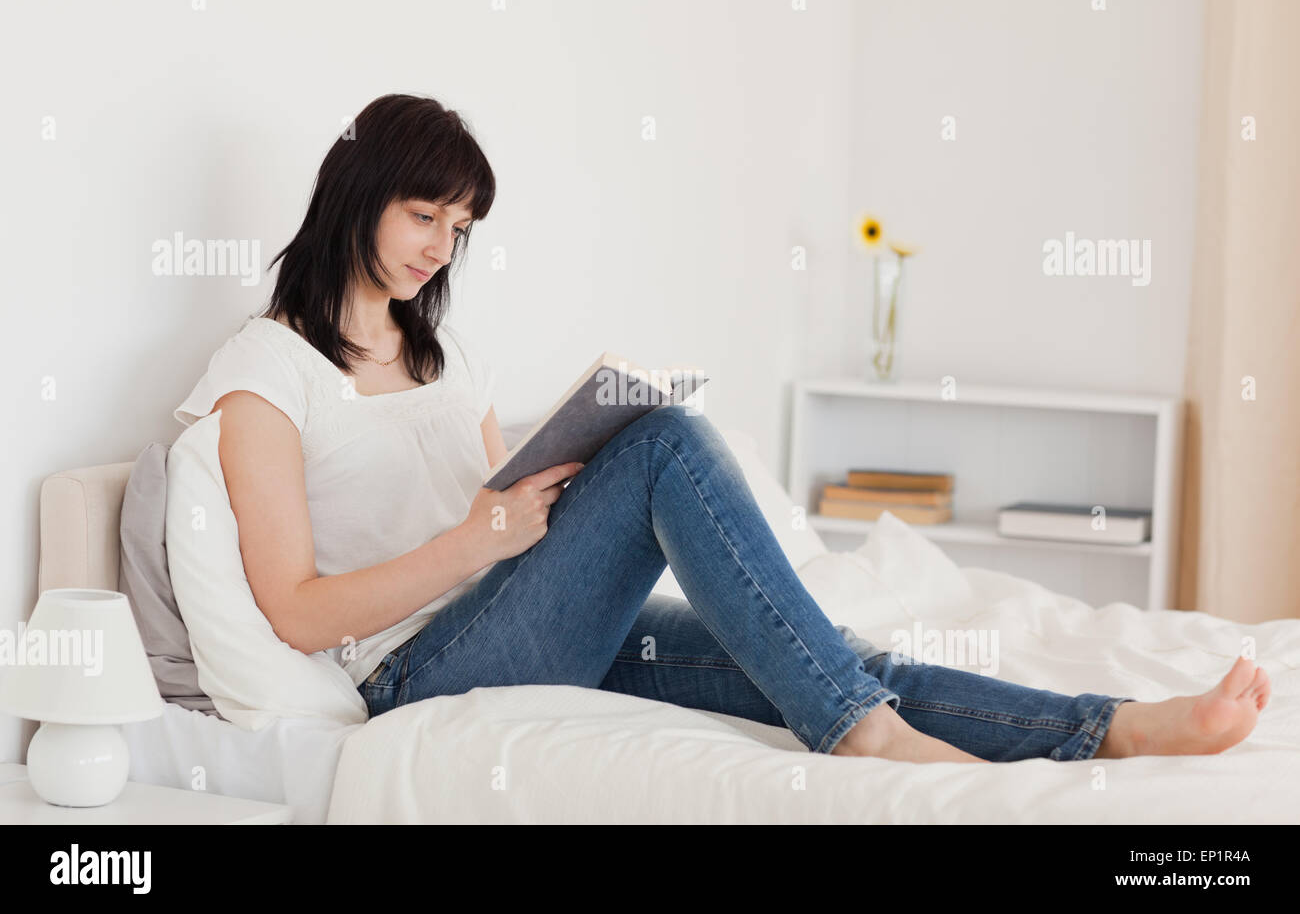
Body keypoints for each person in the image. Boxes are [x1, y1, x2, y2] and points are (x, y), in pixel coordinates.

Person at [176, 93, 1271, 764]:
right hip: (413, 670)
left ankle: (1111, 726)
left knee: (809, 652)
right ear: (356, 194)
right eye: (424, 215)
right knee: (671, 445)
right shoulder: (265, 371)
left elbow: (493, 505)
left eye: (459, 228)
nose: (439, 247)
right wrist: (479, 542)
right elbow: (297, 611)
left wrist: (535, 498)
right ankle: (862, 734)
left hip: (516, 622)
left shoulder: (447, 354)